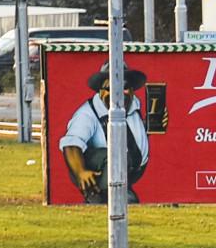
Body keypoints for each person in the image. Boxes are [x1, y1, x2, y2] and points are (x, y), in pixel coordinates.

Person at [60, 66, 150, 204]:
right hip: (99, 170)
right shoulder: (87, 114)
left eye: (124, 87)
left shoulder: (133, 106)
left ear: (131, 90)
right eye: (110, 88)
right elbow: (71, 144)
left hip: (130, 171)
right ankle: (102, 197)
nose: (118, 93)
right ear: (101, 92)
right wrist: (80, 171)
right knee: (115, 156)